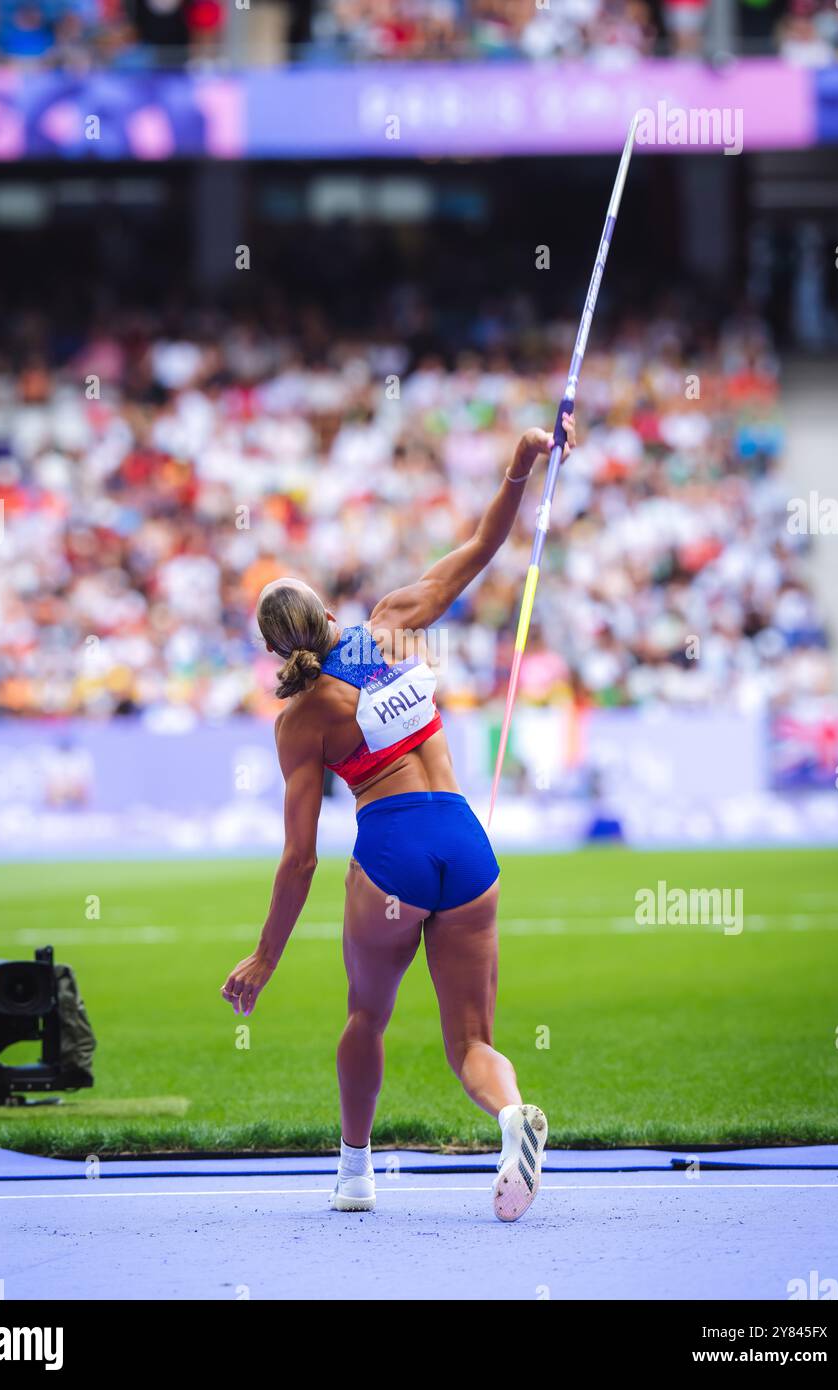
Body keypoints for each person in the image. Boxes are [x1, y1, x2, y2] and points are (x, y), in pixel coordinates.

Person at [221, 414, 576, 1222]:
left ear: (277, 653)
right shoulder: (389, 625)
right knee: (470, 1044)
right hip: (464, 842)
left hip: (392, 856)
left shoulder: (299, 720)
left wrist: (265, 958)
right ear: (324, 611)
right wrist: (521, 463)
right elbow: (482, 551)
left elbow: (300, 860)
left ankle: (354, 1174)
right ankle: (512, 1113)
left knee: (366, 1015)